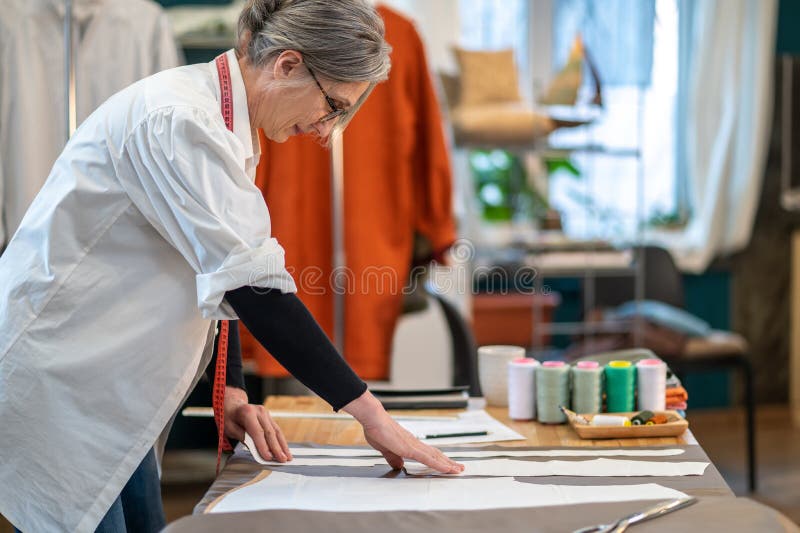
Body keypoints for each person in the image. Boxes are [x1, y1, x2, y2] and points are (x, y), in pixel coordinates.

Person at [0, 0, 464, 531]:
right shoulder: (180, 121)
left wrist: (233, 387)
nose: (327, 129)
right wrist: (370, 415)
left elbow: (219, 267)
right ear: (287, 65)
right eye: (333, 105)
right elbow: (253, 287)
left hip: (101, 388)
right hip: (61, 381)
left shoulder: (223, 123)